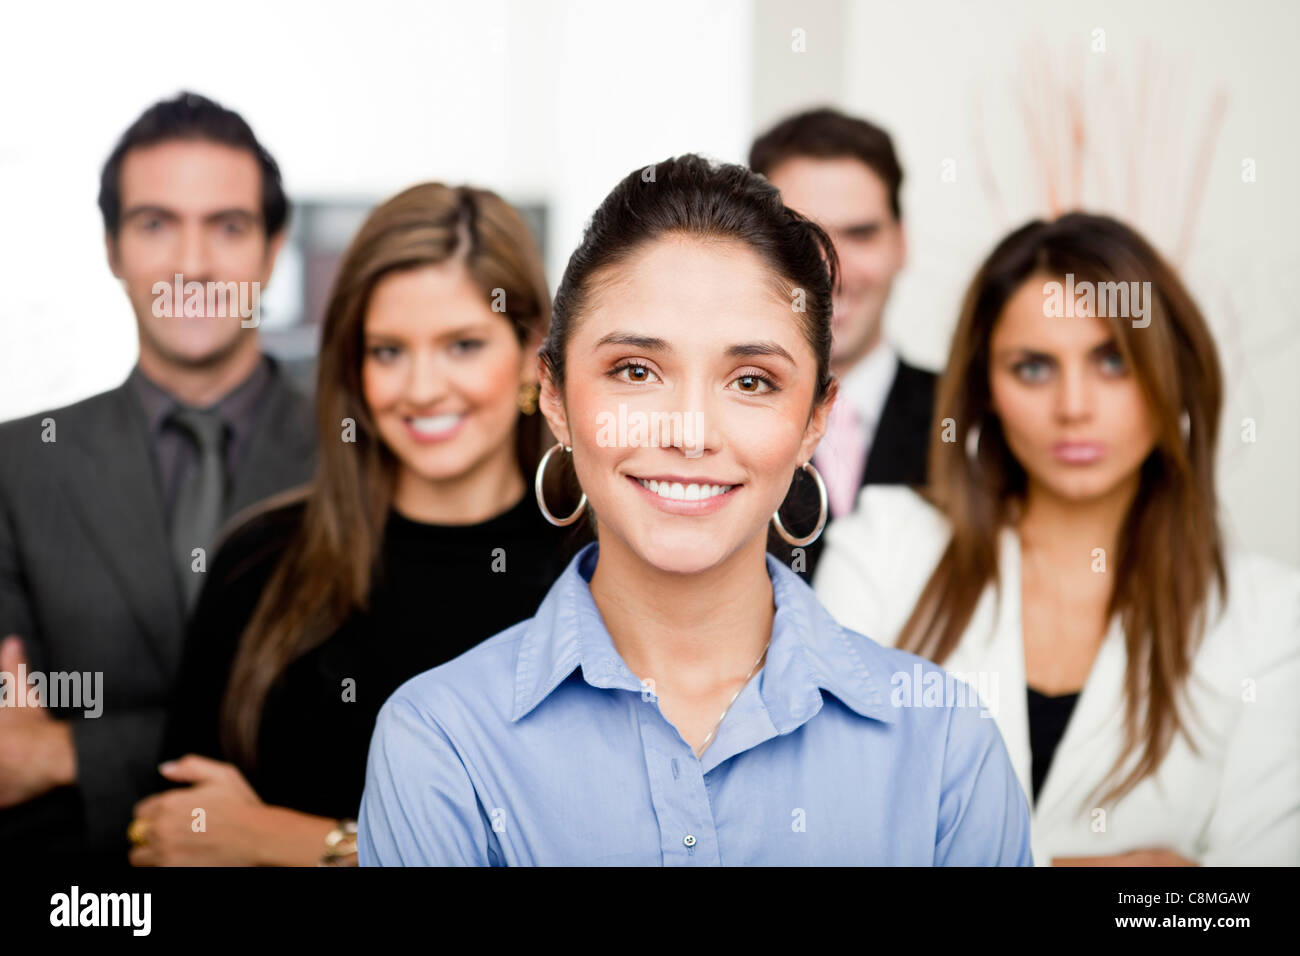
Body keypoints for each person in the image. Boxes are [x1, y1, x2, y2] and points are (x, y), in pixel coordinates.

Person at [357, 155, 1032, 866]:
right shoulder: (438, 740)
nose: (689, 432)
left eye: (751, 380)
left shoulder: (945, 743)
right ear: (554, 397)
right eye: (636, 371)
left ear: (814, 421)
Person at [815, 213, 1300, 866]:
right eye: (1034, 368)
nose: (1074, 405)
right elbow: (828, 836)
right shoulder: (883, 547)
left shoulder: (1270, 617)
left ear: (1172, 373)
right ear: (986, 389)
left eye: (1112, 362)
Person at [130, 182, 587, 866]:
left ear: (531, 355)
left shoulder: (601, 566)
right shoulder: (260, 561)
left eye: (463, 345)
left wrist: (292, 840)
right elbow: (173, 832)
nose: (423, 388)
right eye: (388, 352)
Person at [0, 91, 315, 863]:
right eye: (155, 224)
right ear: (112, 249)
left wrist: (74, 754)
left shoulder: (363, 452)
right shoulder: (16, 464)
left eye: (229, 227)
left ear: (274, 248)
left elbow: (382, 720)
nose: (193, 264)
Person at [749, 107, 937, 580]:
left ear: (902, 242)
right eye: (801, 236)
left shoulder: (975, 417)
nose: (832, 271)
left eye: (860, 234)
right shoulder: (702, 426)